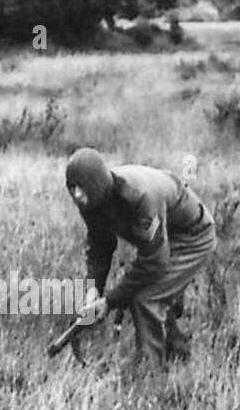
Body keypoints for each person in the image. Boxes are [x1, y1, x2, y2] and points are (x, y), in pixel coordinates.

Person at [65, 147, 216, 364]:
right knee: (153, 289)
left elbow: (155, 262)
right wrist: (93, 289)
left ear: (96, 184)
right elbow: (100, 246)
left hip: (192, 237)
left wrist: (110, 301)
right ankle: (177, 354)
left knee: (146, 297)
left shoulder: (139, 197)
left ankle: (150, 372)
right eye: (73, 188)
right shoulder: (92, 200)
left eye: (82, 188)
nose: (77, 195)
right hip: (165, 235)